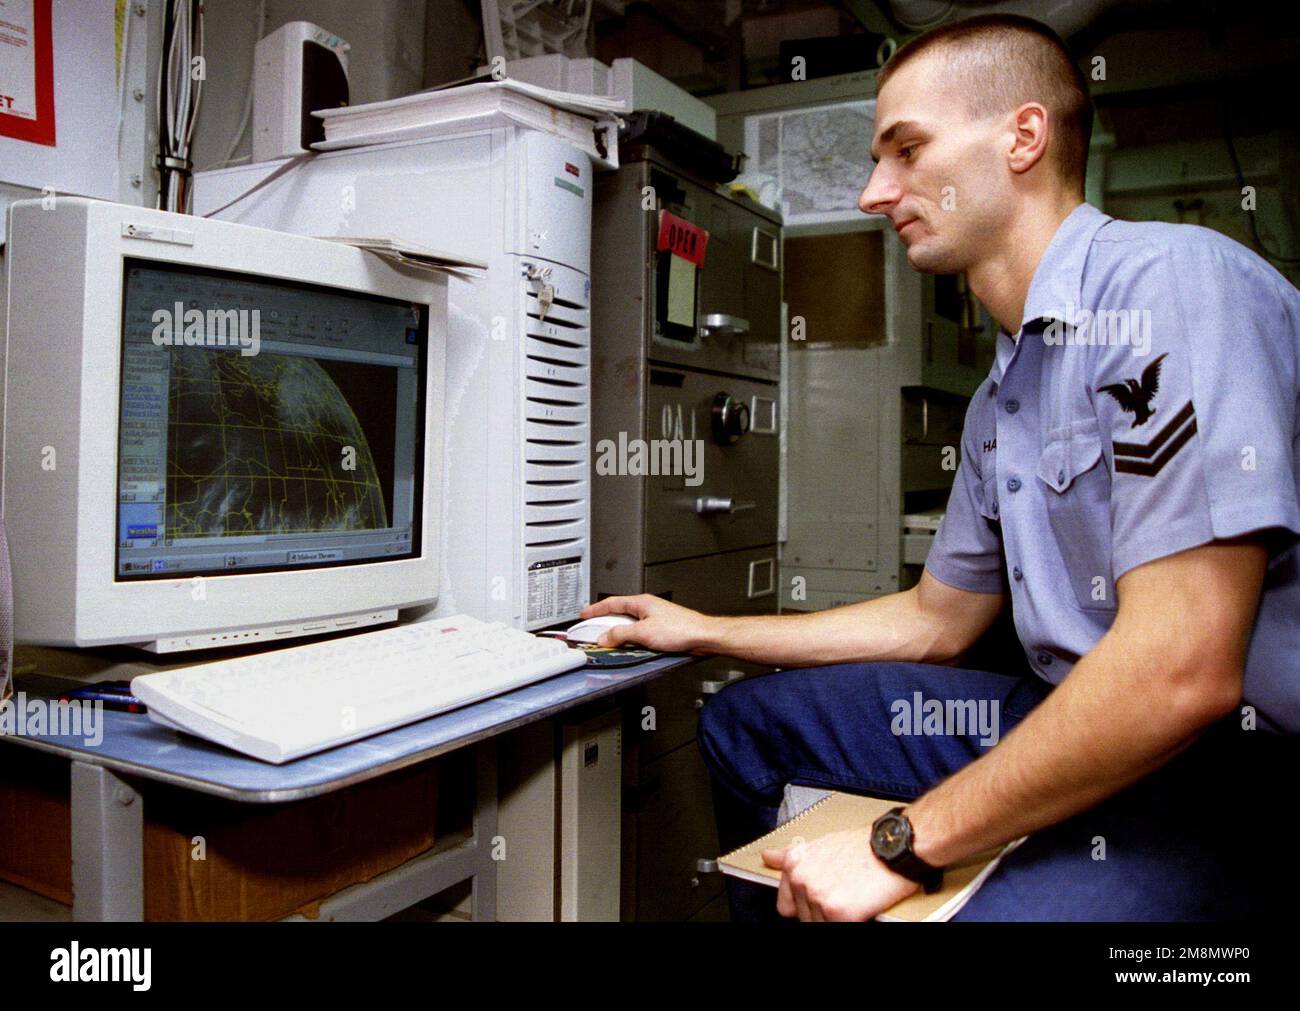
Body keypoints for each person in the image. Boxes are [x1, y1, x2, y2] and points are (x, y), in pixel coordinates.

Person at [580, 13, 1300, 921]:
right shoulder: (1004, 389)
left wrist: (905, 845)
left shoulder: (1172, 287)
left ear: (1023, 137)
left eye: (905, 150)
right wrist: (702, 629)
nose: (875, 192)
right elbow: (934, 621)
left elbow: (1183, 671)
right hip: (1061, 709)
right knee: (744, 727)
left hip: (1223, 771)